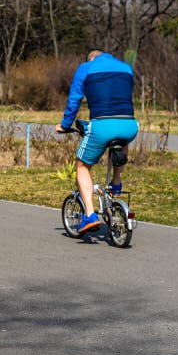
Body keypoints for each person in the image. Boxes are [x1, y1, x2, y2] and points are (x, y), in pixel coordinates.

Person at [55, 50, 139, 234]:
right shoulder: (127, 68)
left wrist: (65, 124)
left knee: (82, 166)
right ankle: (116, 183)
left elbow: (75, 99)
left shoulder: (86, 67)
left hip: (103, 126)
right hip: (130, 124)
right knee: (121, 140)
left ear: (91, 58)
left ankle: (90, 216)